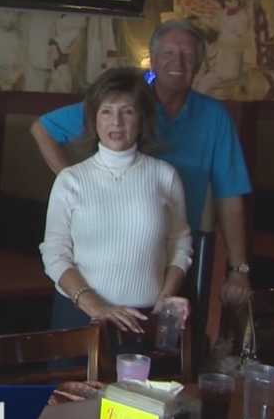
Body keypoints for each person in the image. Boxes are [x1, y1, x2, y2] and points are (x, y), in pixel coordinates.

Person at [31, 19, 253, 307]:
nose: (178, 62)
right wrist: (73, 180)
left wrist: (238, 269)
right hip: (103, 254)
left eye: (188, 55)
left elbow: (230, 198)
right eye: (169, 53)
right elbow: (43, 129)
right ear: (153, 60)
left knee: (169, 344)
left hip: (174, 255)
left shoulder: (214, 117)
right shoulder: (124, 102)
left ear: (200, 63)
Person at [40, 68, 192, 341]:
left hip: (144, 320)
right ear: (94, 119)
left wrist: (166, 297)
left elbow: (180, 243)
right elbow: (54, 253)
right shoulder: (70, 180)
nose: (117, 122)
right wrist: (97, 307)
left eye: (128, 111)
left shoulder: (164, 176)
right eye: (107, 111)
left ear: (142, 119)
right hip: (81, 318)